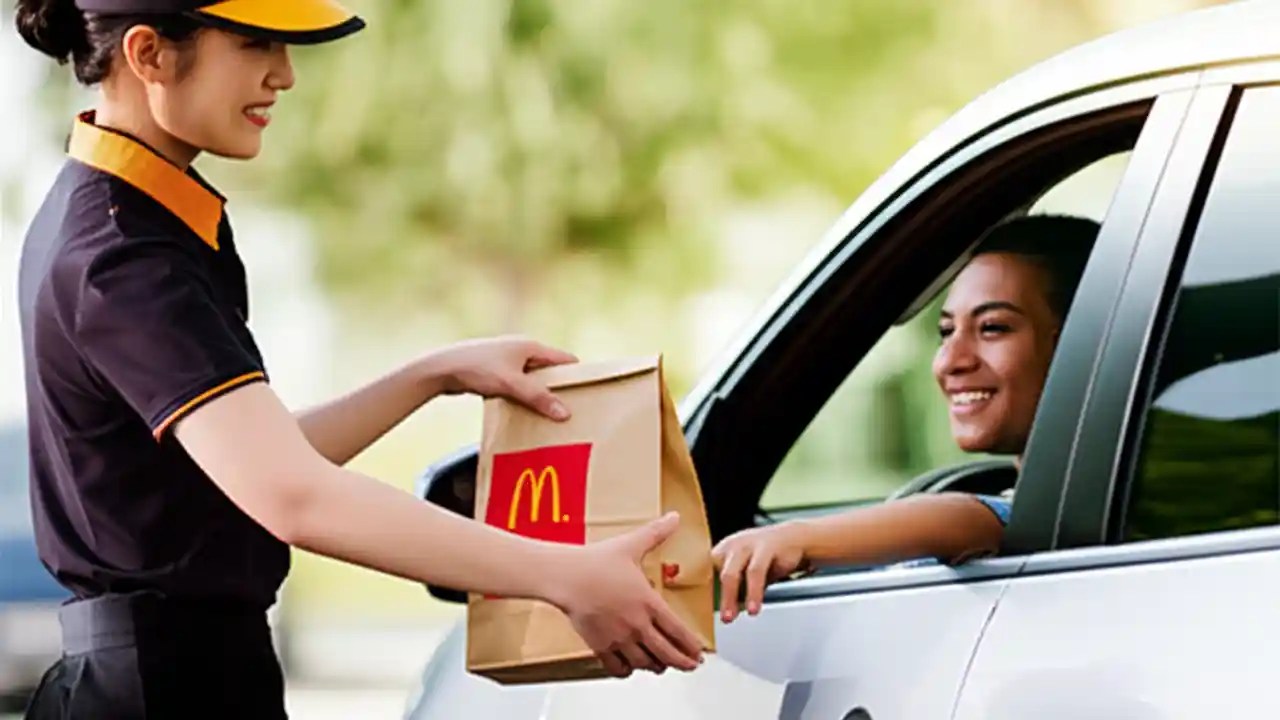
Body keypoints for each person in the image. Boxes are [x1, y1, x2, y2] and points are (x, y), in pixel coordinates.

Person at [15, 1, 702, 716]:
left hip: (183, 676)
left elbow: (254, 465)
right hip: (159, 690)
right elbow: (292, 496)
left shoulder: (128, 218)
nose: (283, 75)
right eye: (256, 45)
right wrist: (564, 576)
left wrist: (434, 376)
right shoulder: (122, 255)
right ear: (149, 53)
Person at [711, 214, 1099, 623]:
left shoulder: (1037, 517)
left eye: (993, 327)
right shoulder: (1066, 504)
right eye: (946, 331)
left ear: (1080, 341)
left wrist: (796, 540)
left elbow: (972, 520)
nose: (951, 361)